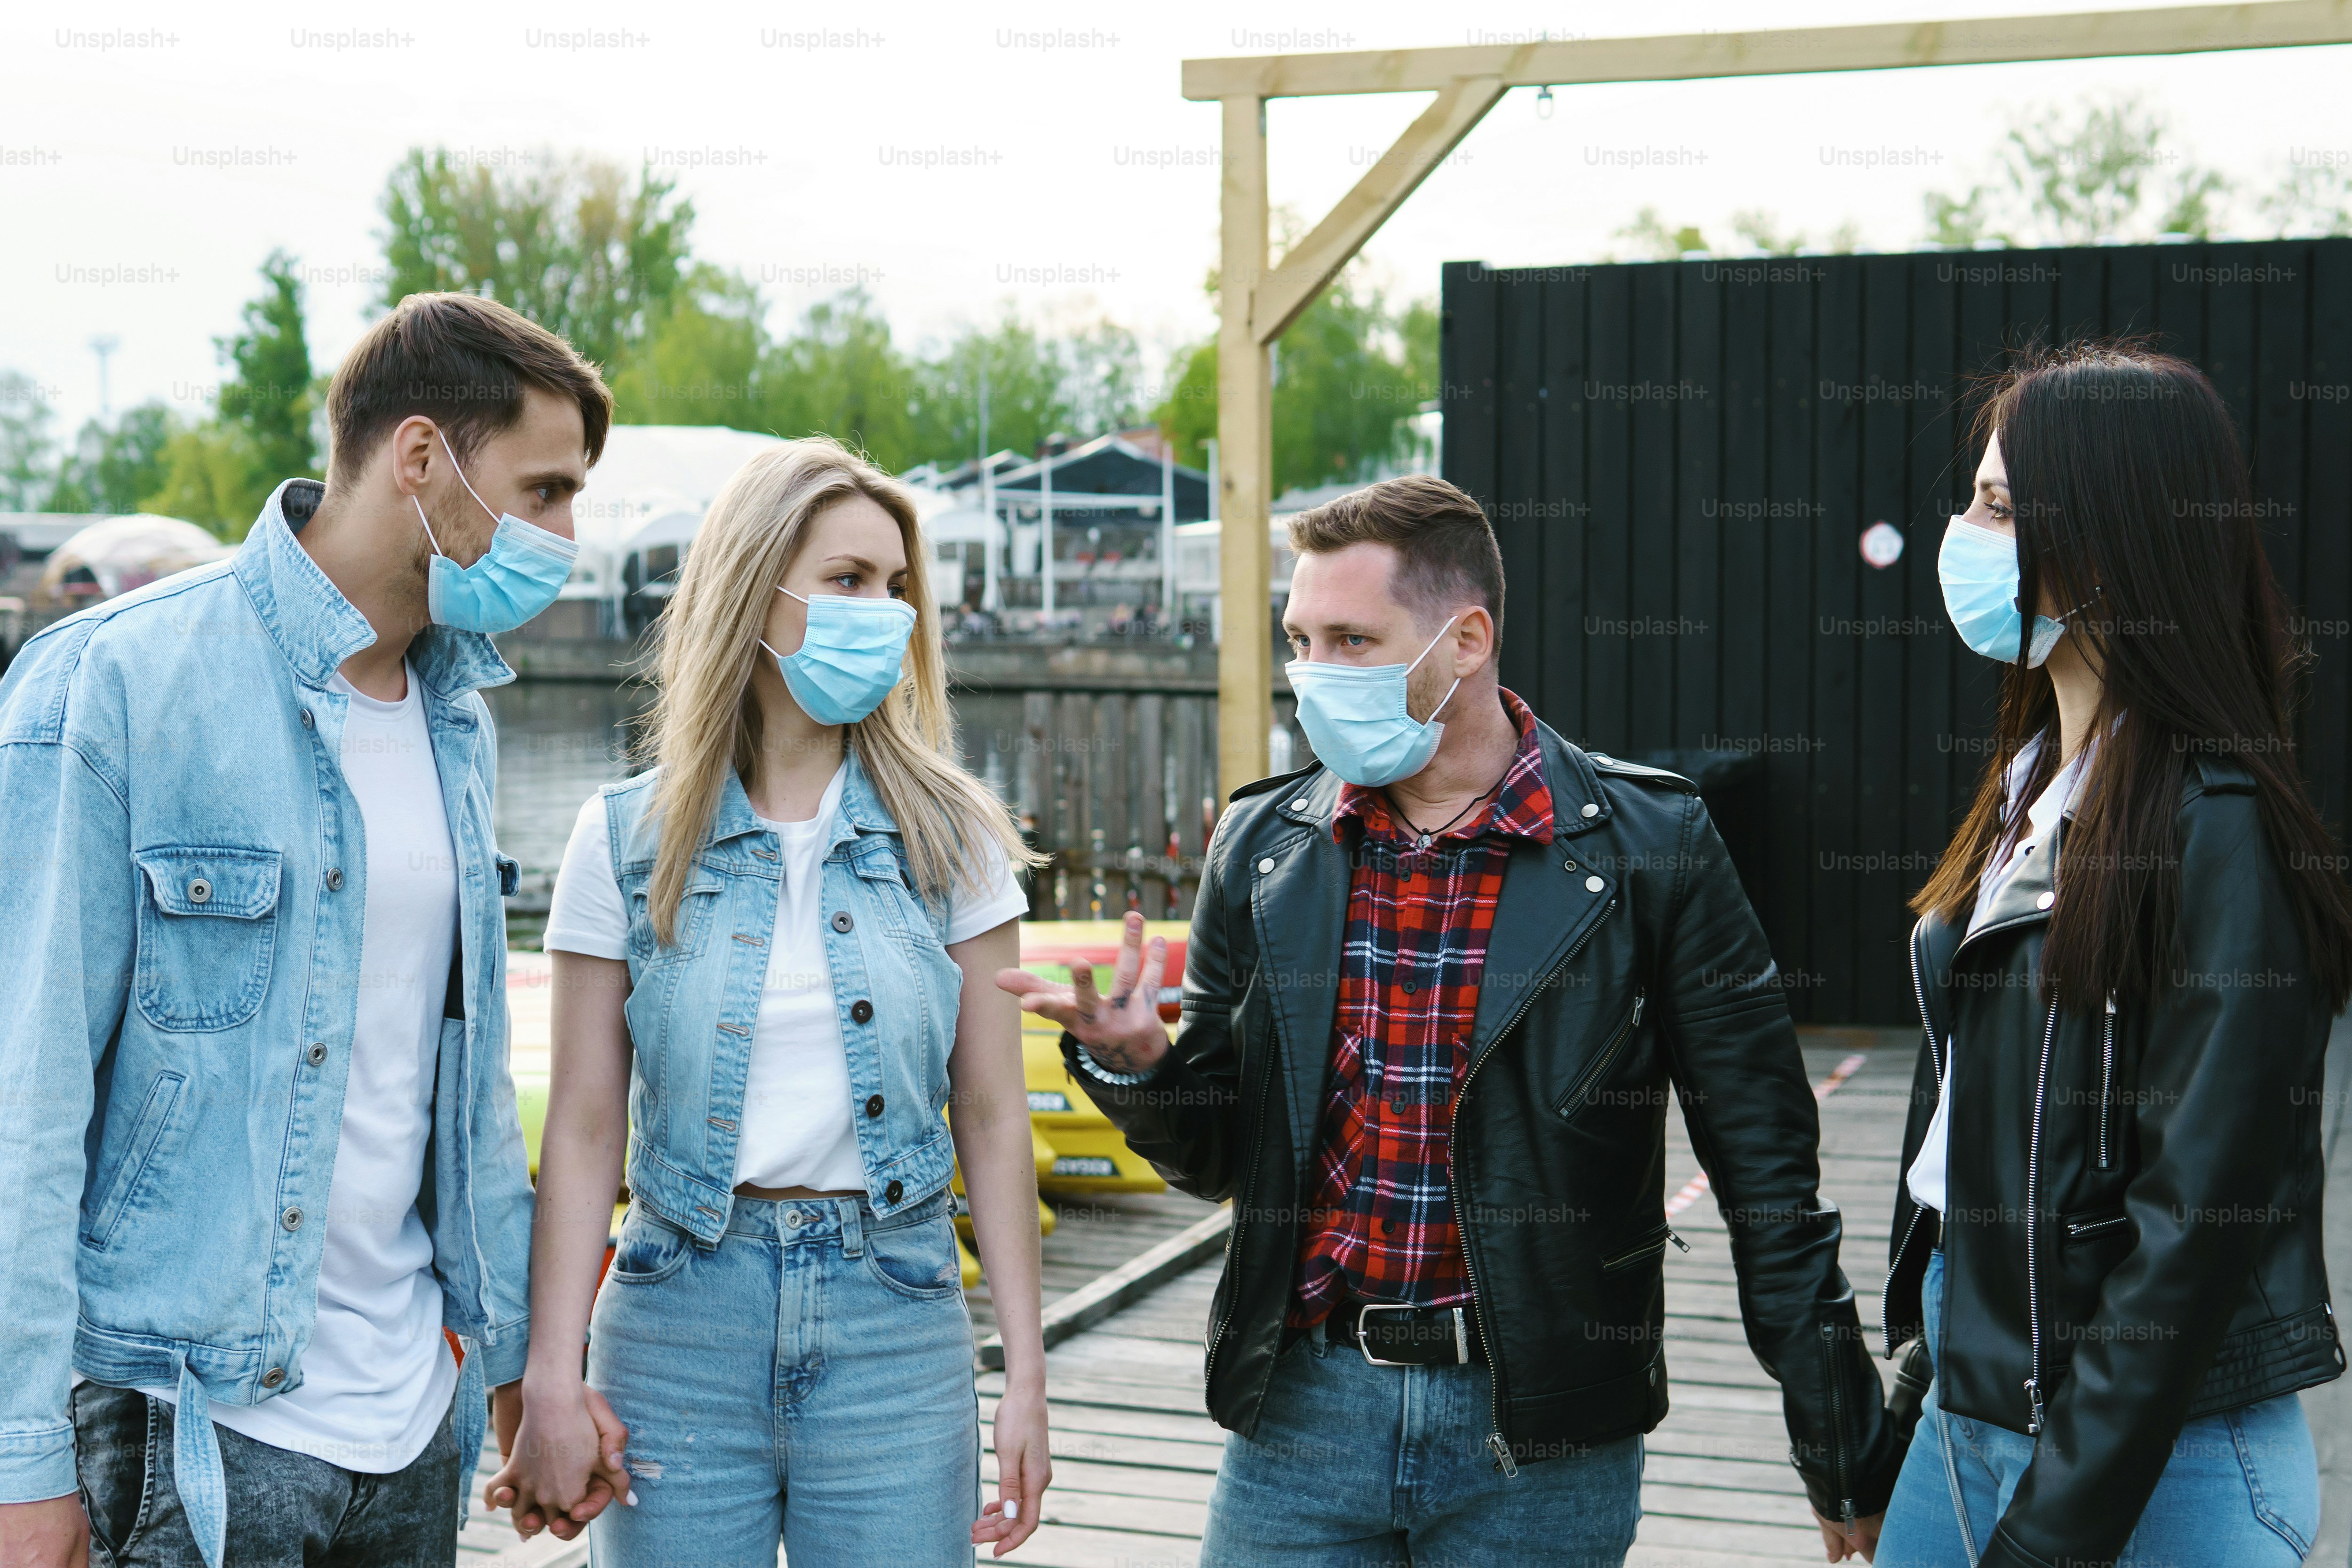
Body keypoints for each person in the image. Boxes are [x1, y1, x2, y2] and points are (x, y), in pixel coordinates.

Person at [1001, 473, 1902, 1566]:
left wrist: (1839, 1434)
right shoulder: (1266, 849)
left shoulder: (1650, 846)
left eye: (1351, 639)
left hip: (1541, 1428)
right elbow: (1226, 1161)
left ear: (1465, 639)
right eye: (1300, 639)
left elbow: (1767, 1170)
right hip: (1301, 1415)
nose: (1313, 675)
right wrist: (1145, 1064)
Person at [0, 292, 628, 1568]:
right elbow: (27, 1103)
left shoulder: (458, 712)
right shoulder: (117, 682)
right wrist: (22, 1460)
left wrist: (513, 1365)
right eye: (547, 489)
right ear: (420, 459)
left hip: (410, 1430)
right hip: (189, 1426)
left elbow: (452, 1082)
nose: (568, 535)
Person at [489, 437, 1052, 1567]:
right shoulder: (624, 838)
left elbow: (990, 1113)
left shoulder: (956, 839)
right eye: (847, 581)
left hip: (894, 1313)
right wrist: (553, 1371)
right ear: (754, 592)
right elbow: (587, 1129)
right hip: (676, 1314)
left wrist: (1025, 1377)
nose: (882, 611)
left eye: (895, 587)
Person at [1878, 343, 2352, 1568]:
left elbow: (2194, 1222)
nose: (1962, 532)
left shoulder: (2222, 821)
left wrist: (2057, 1528)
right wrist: (1922, 1357)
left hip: (2155, 1449)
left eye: (1994, 505)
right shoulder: (2033, 778)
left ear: (2106, 537)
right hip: (1967, 1393)